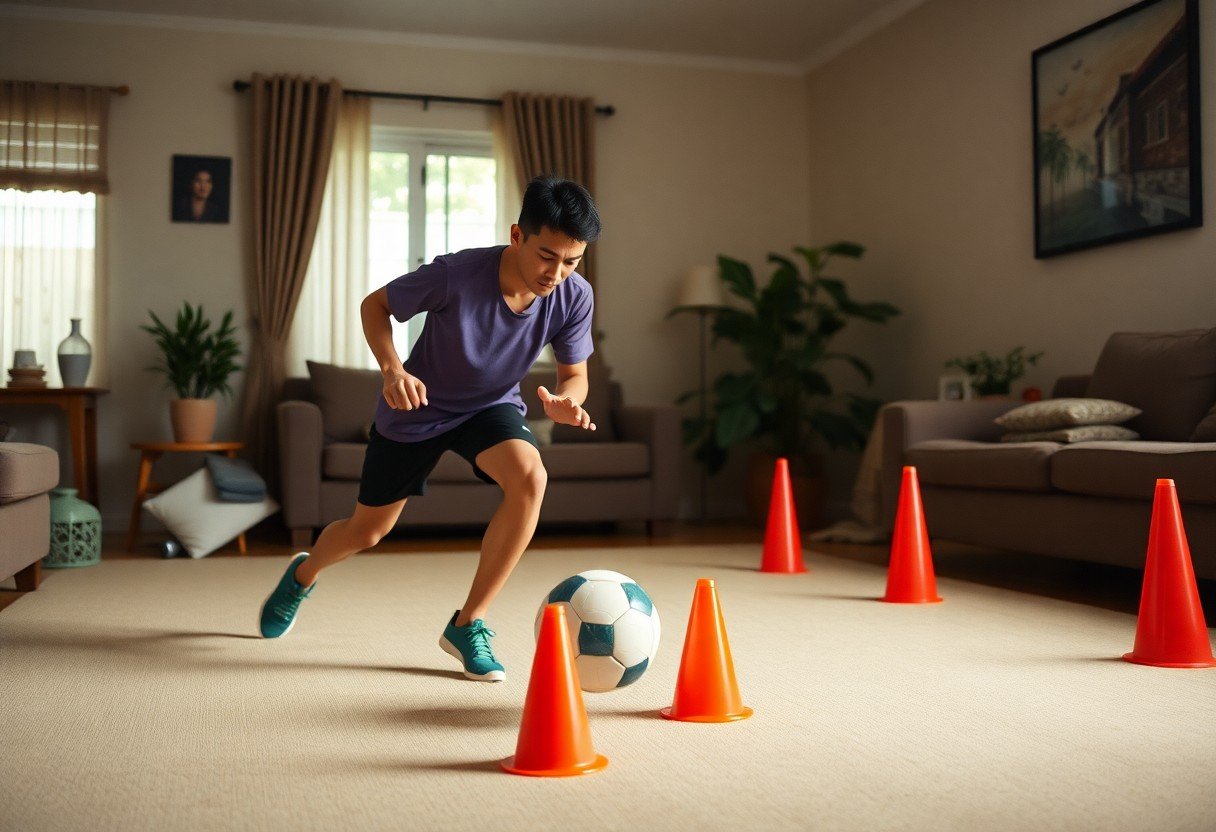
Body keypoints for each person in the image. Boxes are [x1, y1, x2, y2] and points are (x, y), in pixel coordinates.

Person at [257, 176, 602, 683]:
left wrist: (568, 404)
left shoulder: (573, 295)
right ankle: (303, 575)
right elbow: (374, 305)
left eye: (572, 261)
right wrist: (393, 370)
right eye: (548, 256)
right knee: (367, 531)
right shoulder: (456, 274)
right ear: (517, 236)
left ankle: (468, 623)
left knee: (532, 478)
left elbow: (575, 375)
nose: (558, 273)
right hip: (416, 408)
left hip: (489, 408)